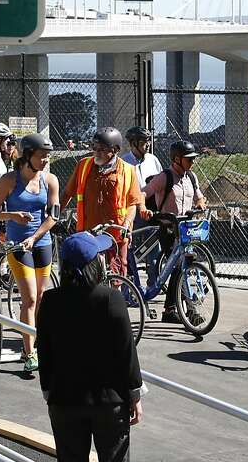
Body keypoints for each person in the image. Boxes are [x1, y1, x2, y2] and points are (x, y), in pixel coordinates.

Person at [37, 231, 143, 462]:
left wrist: (48, 391)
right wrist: (134, 395)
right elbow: (127, 356)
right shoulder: (111, 299)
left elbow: (46, 355)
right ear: (91, 265)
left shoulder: (51, 302)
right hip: (109, 402)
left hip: (65, 401)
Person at [0, 133, 60, 374]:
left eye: (47, 156)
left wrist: (35, 236)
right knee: (30, 298)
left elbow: (54, 215)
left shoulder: (50, 180)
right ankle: (30, 352)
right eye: (41, 156)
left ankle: (34, 343)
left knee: (42, 297)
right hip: (17, 245)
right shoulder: (9, 180)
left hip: (42, 243)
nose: (45, 160)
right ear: (28, 155)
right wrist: (13, 216)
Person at [61, 127, 145, 277]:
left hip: (116, 234)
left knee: (116, 275)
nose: (97, 152)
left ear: (115, 150)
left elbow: (132, 203)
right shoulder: (83, 165)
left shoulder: (127, 170)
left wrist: (126, 224)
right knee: (89, 276)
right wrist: (54, 214)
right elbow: (68, 193)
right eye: (95, 148)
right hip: (88, 234)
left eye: (102, 149)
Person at [141, 140, 208, 323]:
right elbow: (144, 192)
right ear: (177, 159)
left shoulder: (191, 177)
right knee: (179, 266)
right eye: (189, 159)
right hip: (169, 230)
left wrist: (200, 202)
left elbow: (199, 195)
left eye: (193, 159)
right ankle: (190, 311)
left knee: (183, 267)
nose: (192, 162)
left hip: (186, 229)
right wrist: (142, 208)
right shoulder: (165, 177)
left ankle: (170, 310)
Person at [122, 126, 164, 291]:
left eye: (148, 141)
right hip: (132, 211)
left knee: (154, 249)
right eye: (144, 142)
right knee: (129, 248)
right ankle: (131, 286)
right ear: (133, 144)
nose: (148, 144)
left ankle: (153, 285)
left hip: (151, 211)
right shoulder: (124, 162)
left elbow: (160, 182)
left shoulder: (153, 160)